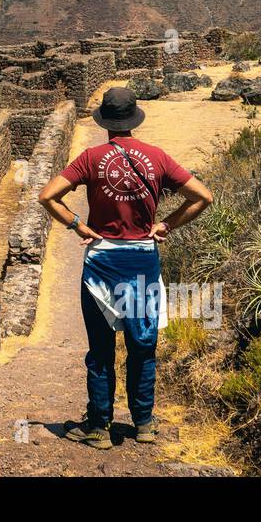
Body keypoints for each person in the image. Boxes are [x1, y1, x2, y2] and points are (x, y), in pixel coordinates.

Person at [38, 86, 212, 449]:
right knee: (142, 345)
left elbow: (47, 196)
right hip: (142, 263)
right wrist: (166, 224)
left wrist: (76, 225)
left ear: (105, 122)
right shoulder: (157, 158)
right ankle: (144, 423)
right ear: (133, 120)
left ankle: (99, 427)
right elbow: (203, 196)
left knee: (101, 350)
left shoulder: (90, 158)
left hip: (102, 262)